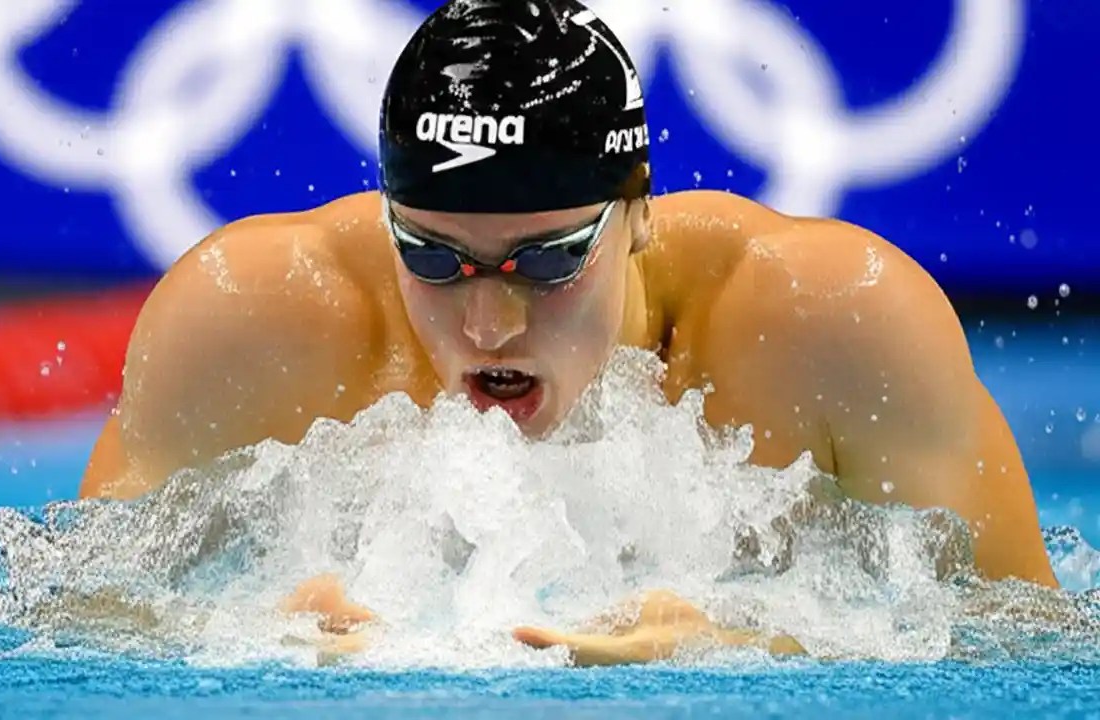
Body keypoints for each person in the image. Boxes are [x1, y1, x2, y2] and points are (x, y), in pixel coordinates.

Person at [78, 0, 1058, 664]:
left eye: (546, 262)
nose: (486, 323)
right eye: (428, 255)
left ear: (638, 215)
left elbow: (1033, 642)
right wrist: (247, 634)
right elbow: (62, 613)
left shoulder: (832, 320)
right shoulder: (250, 316)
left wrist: (758, 643)